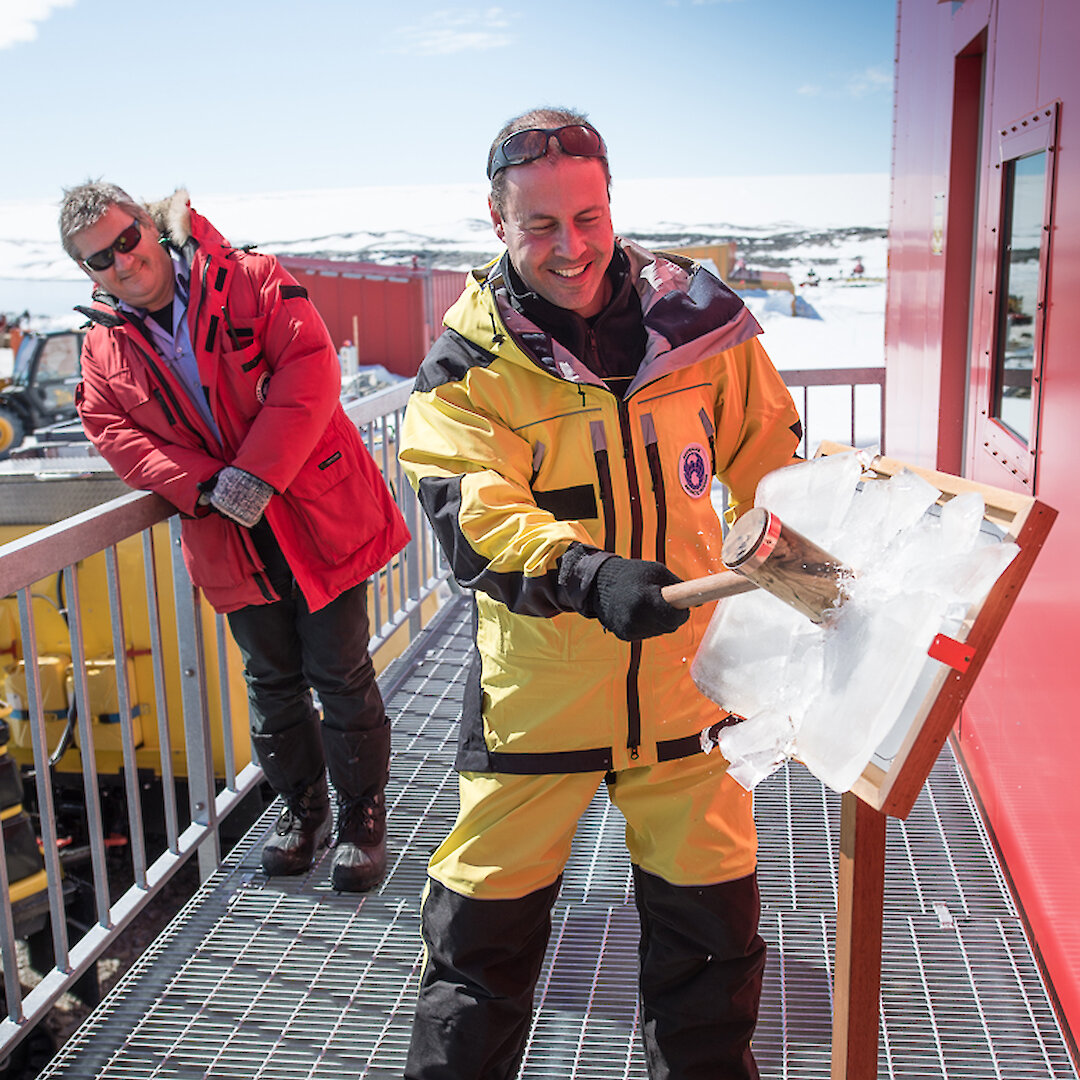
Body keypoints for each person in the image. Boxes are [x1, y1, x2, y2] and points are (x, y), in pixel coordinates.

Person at [398, 108, 803, 1078]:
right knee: (475, 971)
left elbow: (771, 457)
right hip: (538, 708)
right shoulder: (467, 367)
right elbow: (474, 513)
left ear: (611, 205)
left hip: (687, 700)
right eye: (540, 225)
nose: (570, 247)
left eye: (588, 218)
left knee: (712, 966)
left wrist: (794, 545)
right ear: (496, 223)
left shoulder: (701, 326)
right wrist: (586, 573)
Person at [60, 182, 410, 892]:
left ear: (152, 228)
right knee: (271, 681)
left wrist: (257, 474)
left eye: (128, 239)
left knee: (340, 672)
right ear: (88, 273)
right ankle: (301, 812)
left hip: (313, 508)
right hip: (226, 531)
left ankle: (360, 818)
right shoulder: (102, 349)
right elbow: (111, 431)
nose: (124, 263)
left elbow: (311, 369)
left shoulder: (248, 278)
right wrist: (202, 486)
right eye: (102, 259)